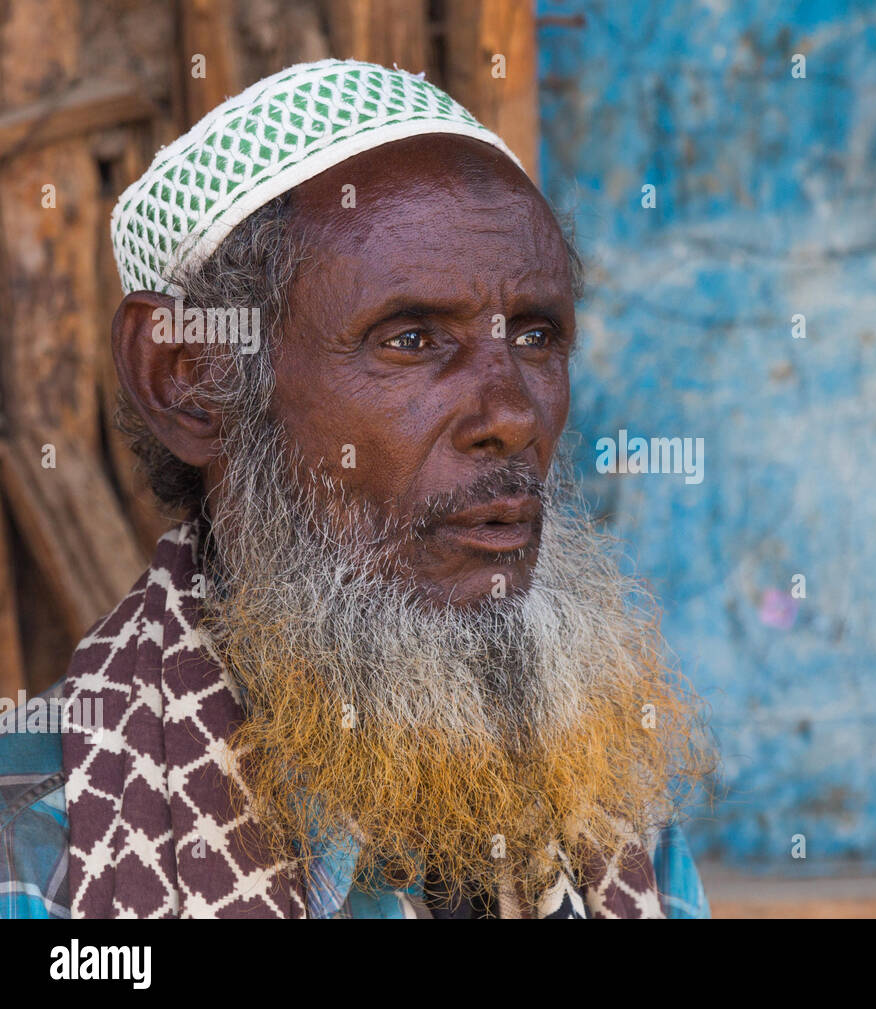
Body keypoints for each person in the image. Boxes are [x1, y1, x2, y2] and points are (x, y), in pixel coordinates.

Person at [0, 59, 711, 919]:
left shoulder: (608, 816)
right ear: (190, 379)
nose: (512, 415)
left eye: (535, 335)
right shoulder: (38, 847)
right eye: (411, 339)